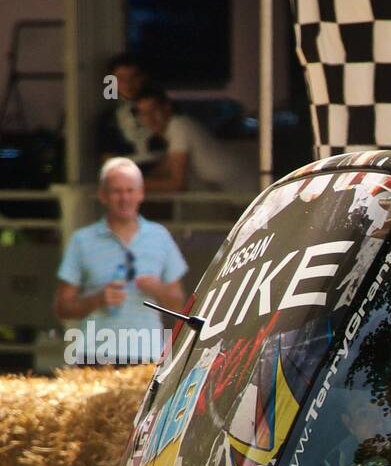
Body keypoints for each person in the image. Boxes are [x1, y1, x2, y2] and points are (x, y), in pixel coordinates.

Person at [54, 157, 188, 365]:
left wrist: (157, 288)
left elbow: (179, 303)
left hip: (148, 355)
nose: (124, 198)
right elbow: (62, 308)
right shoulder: (82, 240)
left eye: (130, 190)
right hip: (95, 356)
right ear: (103, 195)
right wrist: (97, 299)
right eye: (117, 191)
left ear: (141, 193)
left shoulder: (160, 236)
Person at [133, 85, 254, 193]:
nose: (149, 118)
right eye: (143, 113)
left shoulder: (179, 126)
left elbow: (177, 184)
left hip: (244, 194)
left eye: (154, 110)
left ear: (167, 107)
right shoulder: (174, 130)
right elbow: (164, 169)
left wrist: (130, 186)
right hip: (229, 194)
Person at [95, 53, 162, 171]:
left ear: (143, 78)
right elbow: (108, 160)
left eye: (134, 77)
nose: (128, 84)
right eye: (121, 79)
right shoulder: (109, 119)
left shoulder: (161, 110)